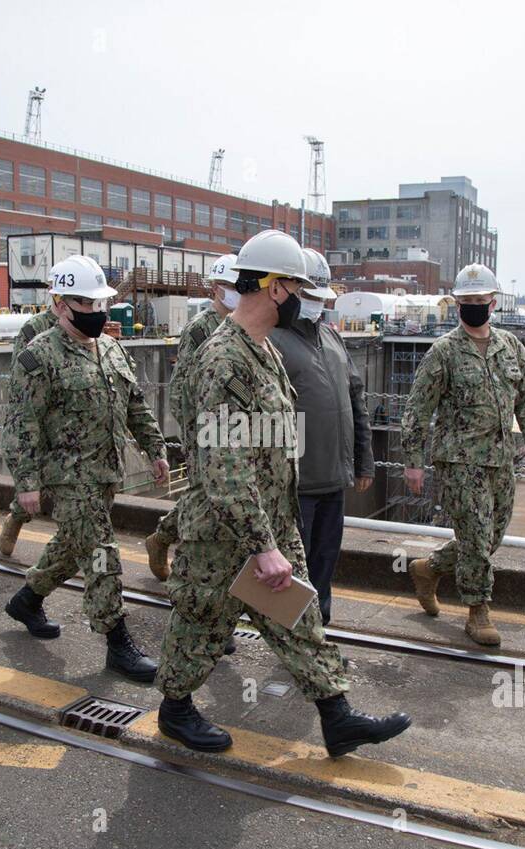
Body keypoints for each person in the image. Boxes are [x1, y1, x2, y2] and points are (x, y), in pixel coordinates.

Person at [153, 229, 411, 757]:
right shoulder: (225, 360)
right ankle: (175, 709)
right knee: (200, 623)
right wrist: (261, 545)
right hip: (228, 531)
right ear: (273, 288)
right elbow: (222, 468)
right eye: (297, 286)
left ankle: (337, 717)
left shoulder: (262, 349)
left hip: (271, 520)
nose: (304, 299)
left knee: (298, 617)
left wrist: (277, 533)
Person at [2, 255, 169, 683]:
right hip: (68, 475)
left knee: (72, 545)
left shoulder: (111, 348)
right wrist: (27, 483)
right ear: (59, 304)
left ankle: (26, 599)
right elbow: (22, 427)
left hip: (105, 472)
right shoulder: (39, 357)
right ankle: (117, 642)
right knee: (101, 553)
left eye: (99, 304)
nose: (95, 312)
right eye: (84, 304)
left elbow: (135, 405)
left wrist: (155, 450)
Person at [401, 263, 525, 646]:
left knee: (490, 535)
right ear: (457, 304)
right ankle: (477, 612)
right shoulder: (443, 352)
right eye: (467, 301)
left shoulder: (510, 346)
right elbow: (418, 409)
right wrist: (413, 461)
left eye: (480, 301)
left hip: (501, 459)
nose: (474, 307)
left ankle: (428, 569)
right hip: (460, 461)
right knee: (478, 537)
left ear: (493, 303)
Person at [268, 248, 374, 625]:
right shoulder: (274, 342)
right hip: (297, 483)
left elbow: (355, 400)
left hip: (333, 478)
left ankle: (318, 627)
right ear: (291, 292)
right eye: (309, 296)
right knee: (294, 568)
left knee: (324, 562)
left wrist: (363, 460)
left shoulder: (332, 340)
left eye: (320, 298)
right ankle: (295, 635)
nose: (316, 305)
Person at [144, 253, 239, 581]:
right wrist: (194, 437)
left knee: (209, 498)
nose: (234, 291)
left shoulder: (244, 325)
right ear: (215, 288)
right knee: (204, 496)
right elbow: (182, 389)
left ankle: (161, 539)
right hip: (205, 431)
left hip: (235, 430)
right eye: (228, 285)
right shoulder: (201, 329)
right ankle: (172, 549)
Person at [0, 307, 58, 556]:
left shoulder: (86, 328)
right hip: (37, 420)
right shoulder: (35, 329)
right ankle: (16, 519)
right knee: (34, 486)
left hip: (66, 426)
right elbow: (23, 381)